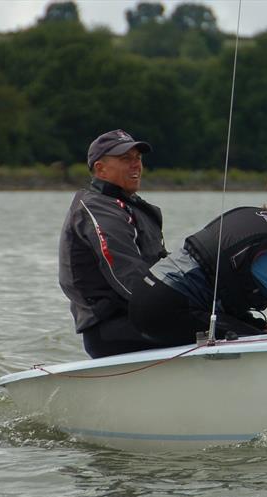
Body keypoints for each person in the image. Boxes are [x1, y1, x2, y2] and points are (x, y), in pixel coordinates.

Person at [129, 182, 267, 347]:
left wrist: (245, 321)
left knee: (253, 331)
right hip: (165, 307)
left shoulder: (262, 220)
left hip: (151, 296)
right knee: (261, 344)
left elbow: (210, 281)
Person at [59, 129, 168, 358]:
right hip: (111, 329)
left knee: (225, 322)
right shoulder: (97, 208)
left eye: (138, 158)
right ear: (100, 169)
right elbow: (128, 276)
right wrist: (182, 309)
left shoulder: (135, 208)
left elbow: (164, 269)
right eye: (125, 159)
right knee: (213, 329)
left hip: (141, 319)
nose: (135, 165)